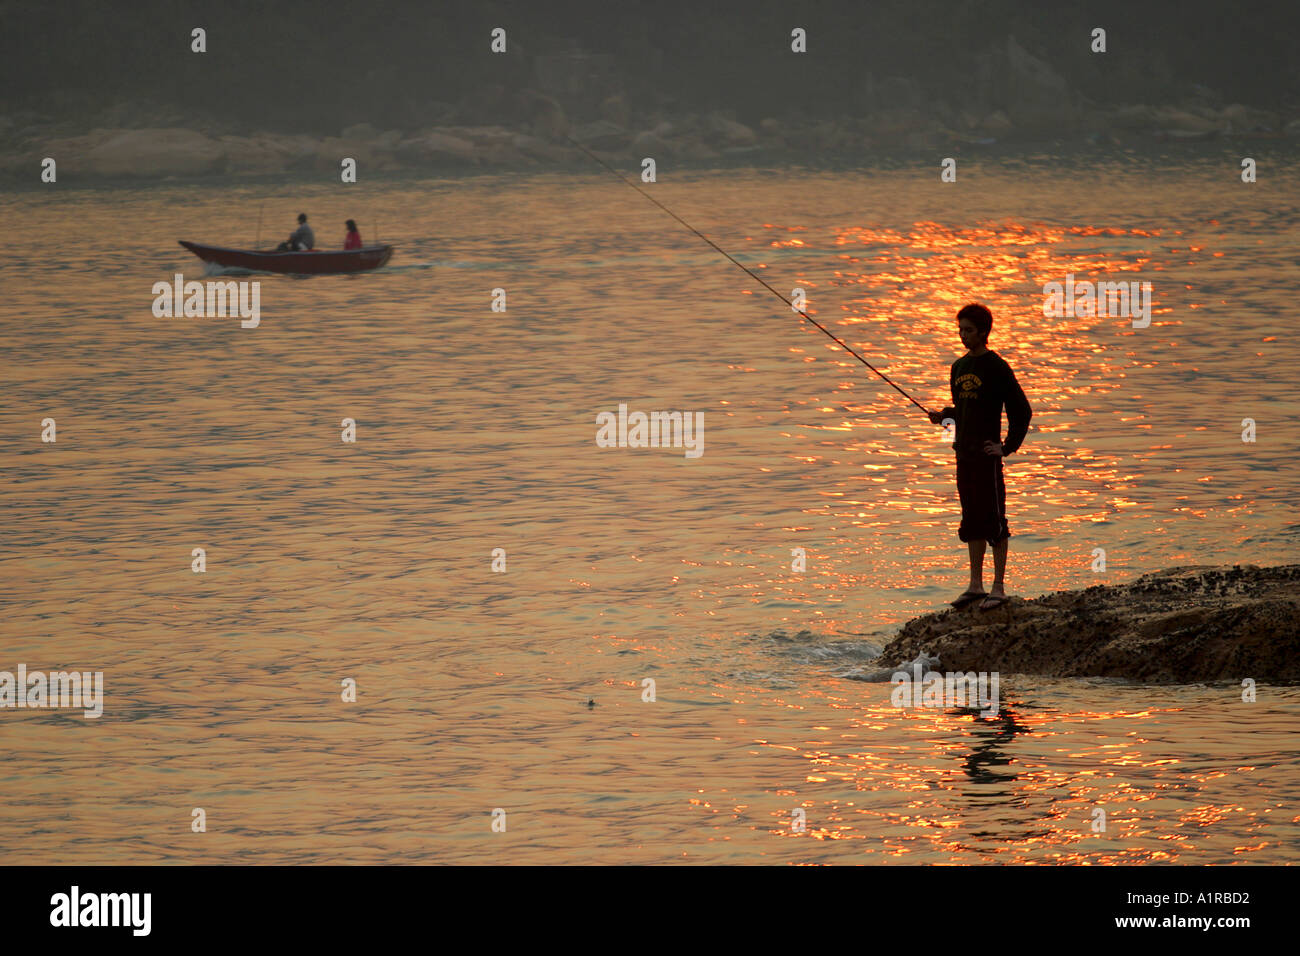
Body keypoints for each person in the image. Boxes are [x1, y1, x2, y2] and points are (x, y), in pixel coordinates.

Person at [927, 304, 1032, 611]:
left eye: (969, 330)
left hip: (988, 458)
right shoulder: (958, 368)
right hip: (964, 455)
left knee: (995, 520)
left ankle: (998, 587)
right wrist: (944, 417)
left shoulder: (997, 367)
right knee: (971, 519)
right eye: (960, 330)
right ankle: (976, 586)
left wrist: (1007, 447)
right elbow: (962, 411)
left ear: (984, 332)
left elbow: (1021, 410)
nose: (963, 335)